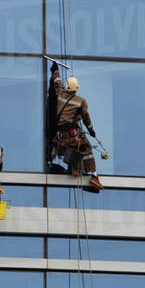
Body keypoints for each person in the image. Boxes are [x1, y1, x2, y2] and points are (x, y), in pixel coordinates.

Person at [49, 62, 103, 192]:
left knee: (72, 147)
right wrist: (92, 131)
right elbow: (86, 119)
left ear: (67, 87)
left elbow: (57, 82)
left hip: (61, 137)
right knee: (87, 148)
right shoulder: (80, 101)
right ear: (77, 88)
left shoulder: (60, 95)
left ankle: (75, 169)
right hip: (73, 135)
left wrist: (55, 70)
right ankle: (94, 176)